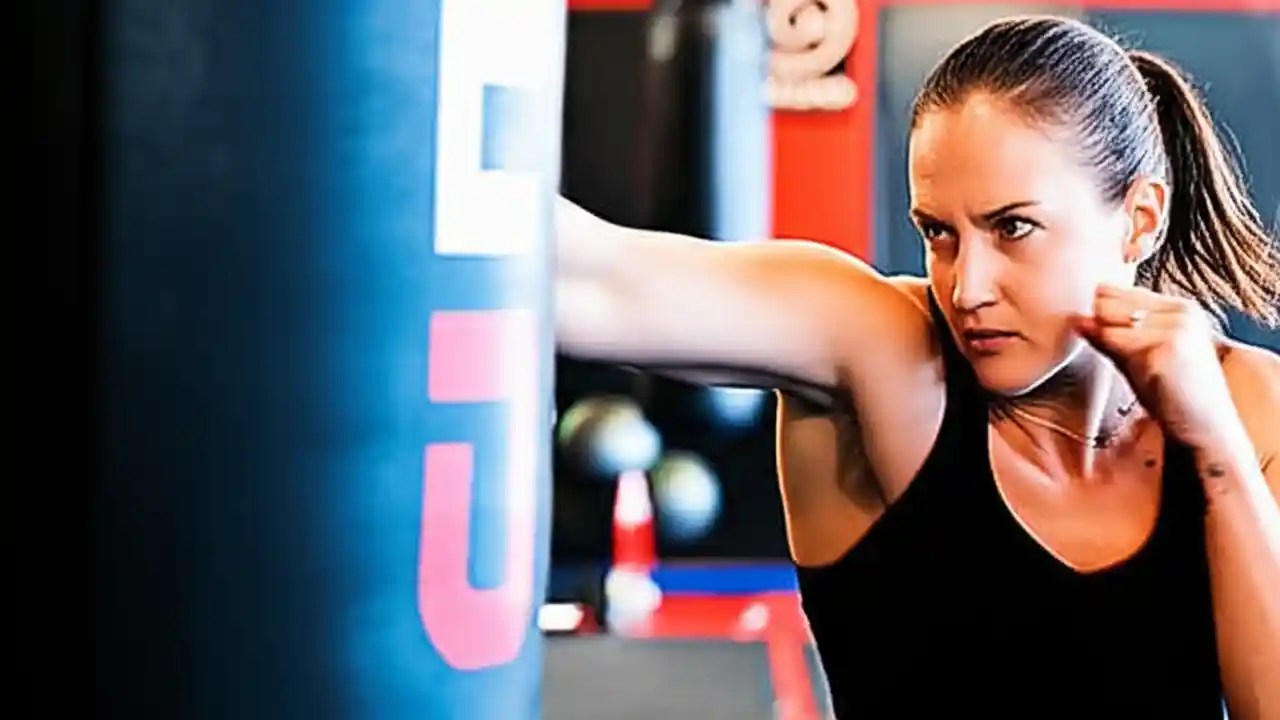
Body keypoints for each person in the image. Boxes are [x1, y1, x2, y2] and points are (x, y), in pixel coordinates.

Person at [554, 14, 1279, 719]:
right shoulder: (887, 358)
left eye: (1013, 227)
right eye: (939, 234)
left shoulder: (1252, 407)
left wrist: (1217, 452)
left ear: (1139, 219)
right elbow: (595, 280)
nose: (967, 288)